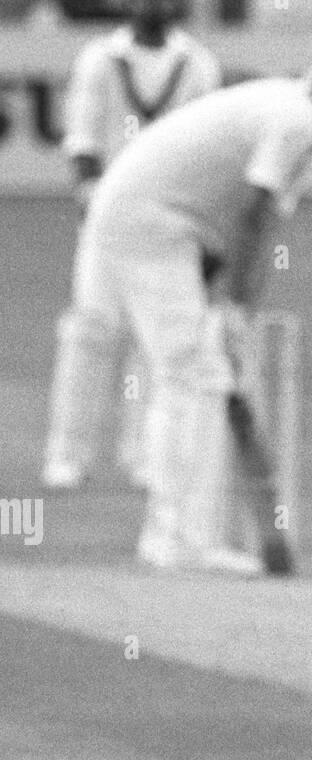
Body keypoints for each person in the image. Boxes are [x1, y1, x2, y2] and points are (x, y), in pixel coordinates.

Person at [42, 66, 312, 575]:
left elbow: (239, 212)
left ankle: (176, 537)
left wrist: (221, 290)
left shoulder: (284, 105)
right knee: (194, 377)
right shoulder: (298, 118)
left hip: (142, 217)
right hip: (151, 224)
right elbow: (253, 215)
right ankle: (178, 542)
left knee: (187, 372)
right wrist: (234, 306)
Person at [44, 0, 221, 490]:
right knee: (92, 330)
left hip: (169, 221)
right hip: (106, 216)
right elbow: (82, 142)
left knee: (155, 339)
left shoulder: (197, 63)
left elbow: (202, 146)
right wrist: (94, 207)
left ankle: (142, 454)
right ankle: (68, 454)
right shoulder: (100, 58)